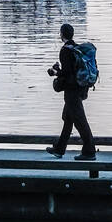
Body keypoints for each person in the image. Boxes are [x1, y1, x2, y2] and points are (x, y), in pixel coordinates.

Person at [46, 22, 96, 161]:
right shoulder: (75, 48)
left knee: (80, 121)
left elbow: (67, 74)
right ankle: (59, 149)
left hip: (72, 92)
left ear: (62, 34)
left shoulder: (65, 50)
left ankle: (89, 151)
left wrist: (55, 72)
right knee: (68, 119)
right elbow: (73, 72)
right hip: (80, 89)